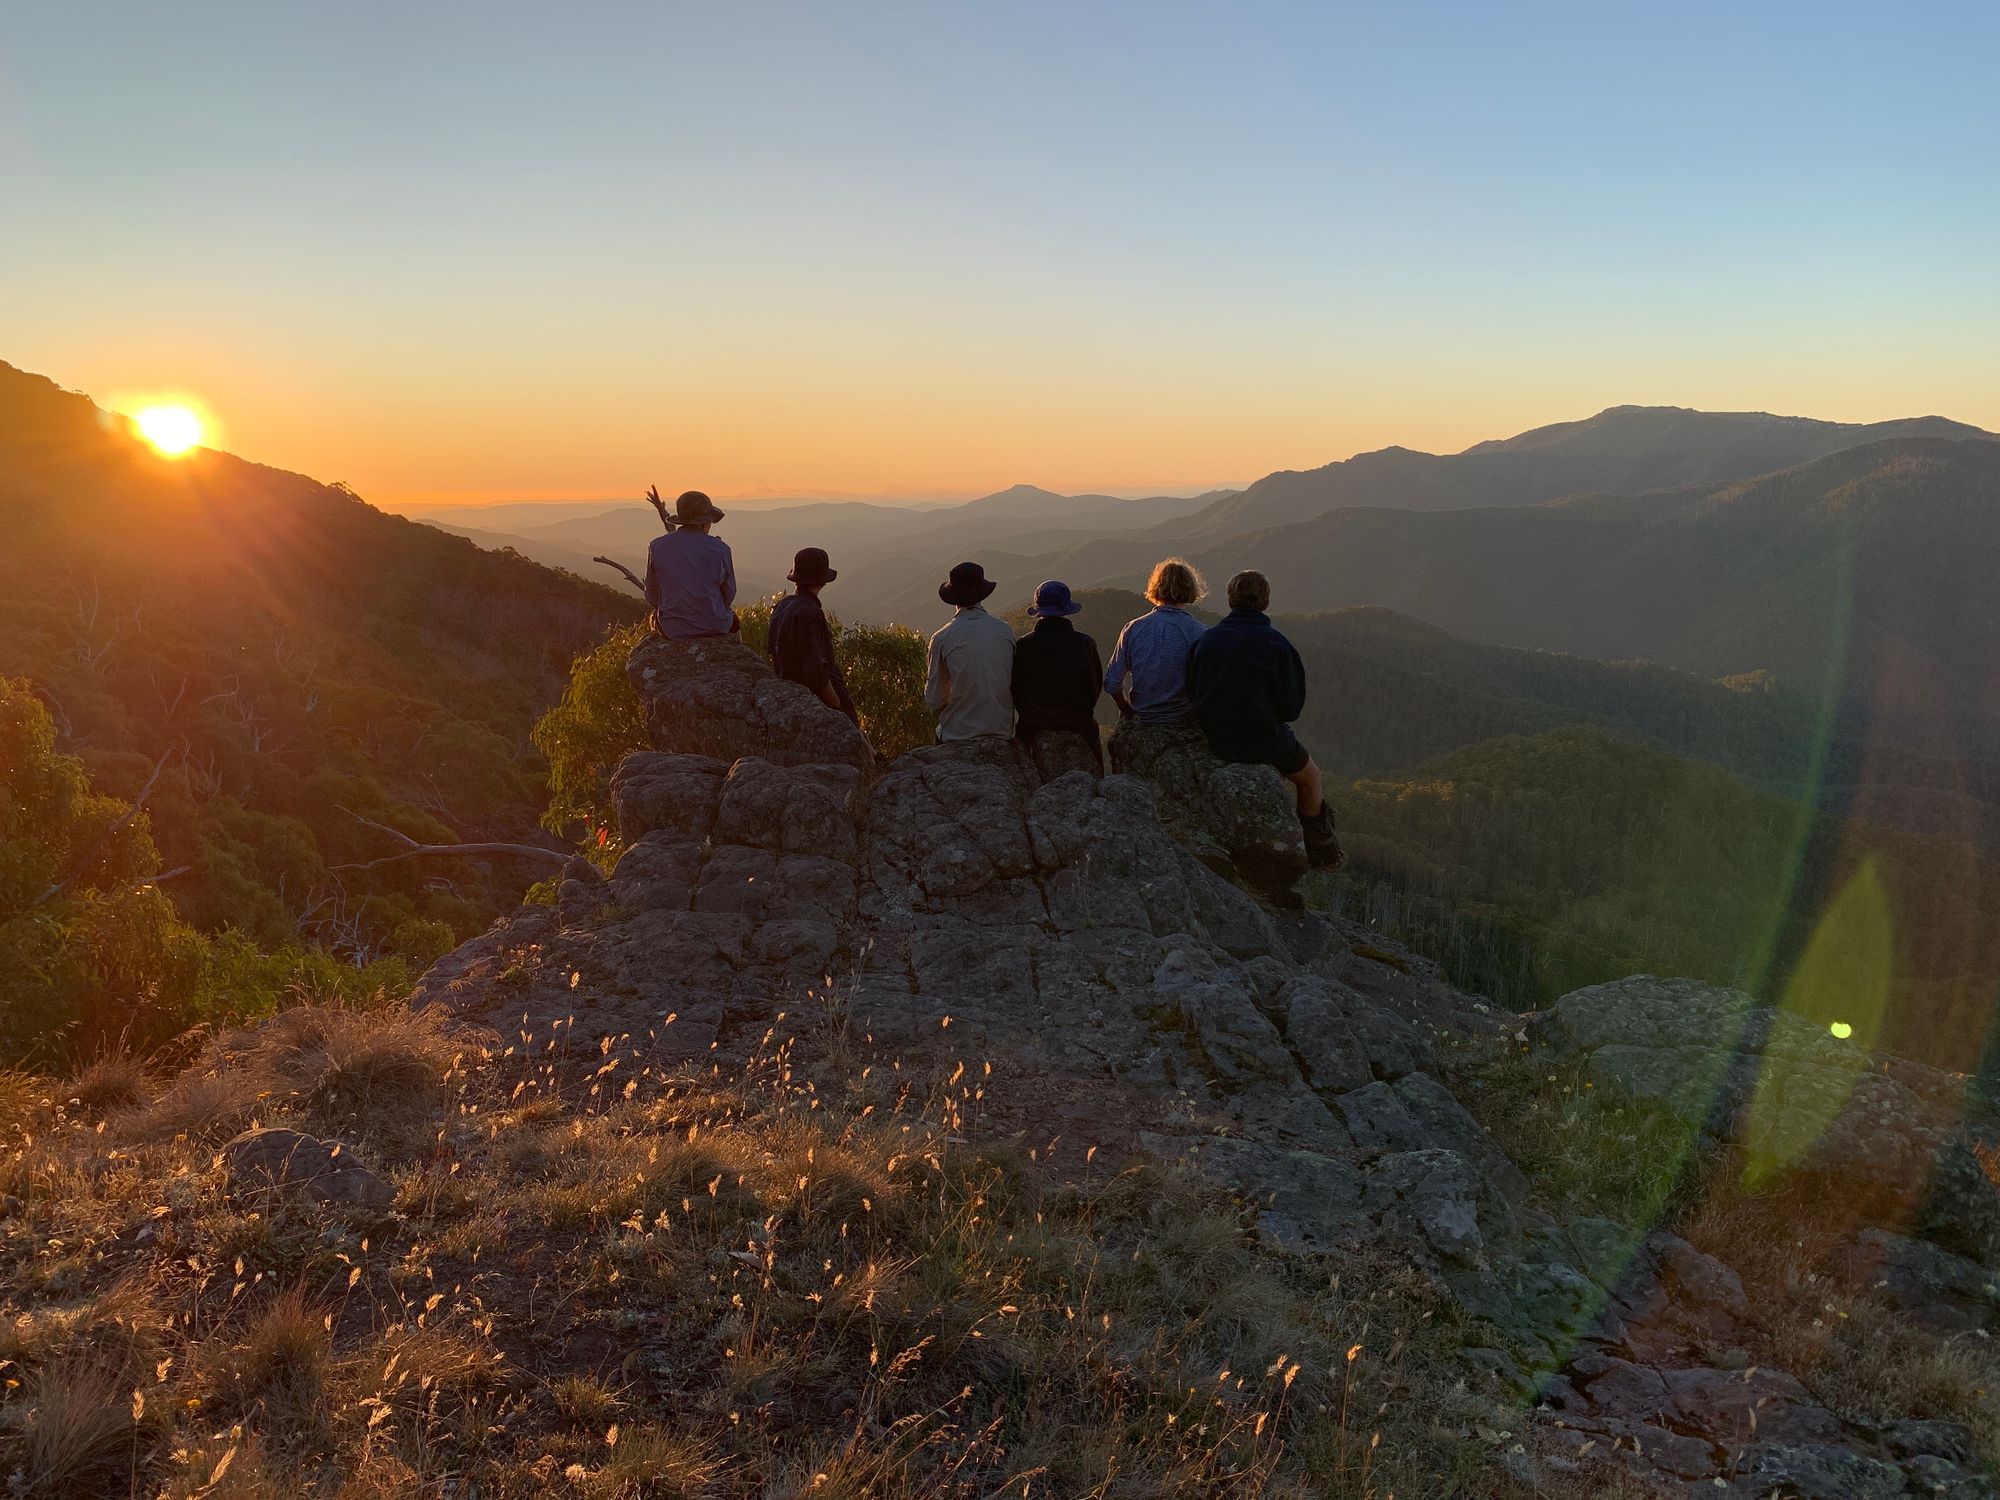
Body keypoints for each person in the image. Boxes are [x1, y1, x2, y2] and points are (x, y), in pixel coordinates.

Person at [1187, 570, 1342, 867]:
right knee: (1311, 778)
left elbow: (1193, 691)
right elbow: (1290, 710)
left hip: (1215, 739)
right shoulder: (1278, 646)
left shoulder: (1206, 641)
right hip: (1263, 742)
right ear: (1265, 602)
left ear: (1230, 600)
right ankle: (1320, 849)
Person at [1011, 580, 1104, 769]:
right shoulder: (1085, 645)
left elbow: (1016, 689)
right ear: (1067, 609)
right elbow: (1094, 688)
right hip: (1078, 723)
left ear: (1039, 611)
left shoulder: (1024, 646)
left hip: (1032, 725)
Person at [1104, 557, 1209, 725]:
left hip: (1142, 721)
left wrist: (1125, 709)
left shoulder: (1133, 629)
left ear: (1156, 587)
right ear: (1190, 588)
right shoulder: (1200, 633)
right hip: (1183, 722)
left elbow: (1112, 683)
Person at [924, 562, 1015, 741]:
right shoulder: (1004, 631)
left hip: (958, 734)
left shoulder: (942, 637)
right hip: (1002, 730)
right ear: (982, 594)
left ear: (953, 598)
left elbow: (934, 698)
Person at [768, 547, 858, 724]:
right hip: (816, 696)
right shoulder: (810, 613)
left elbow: (774, 651)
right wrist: (839, 705)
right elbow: (815, 672)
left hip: (788, 687)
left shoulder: (782, 606)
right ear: (822, 581)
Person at [643, 489, 737, 638]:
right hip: (715, 625)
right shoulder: (721, 549)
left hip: (671, 628)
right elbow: (729, 595)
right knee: (735, 624)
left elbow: (652, 595)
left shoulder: (657, 546)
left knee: (654, 618)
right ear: (706, 522)